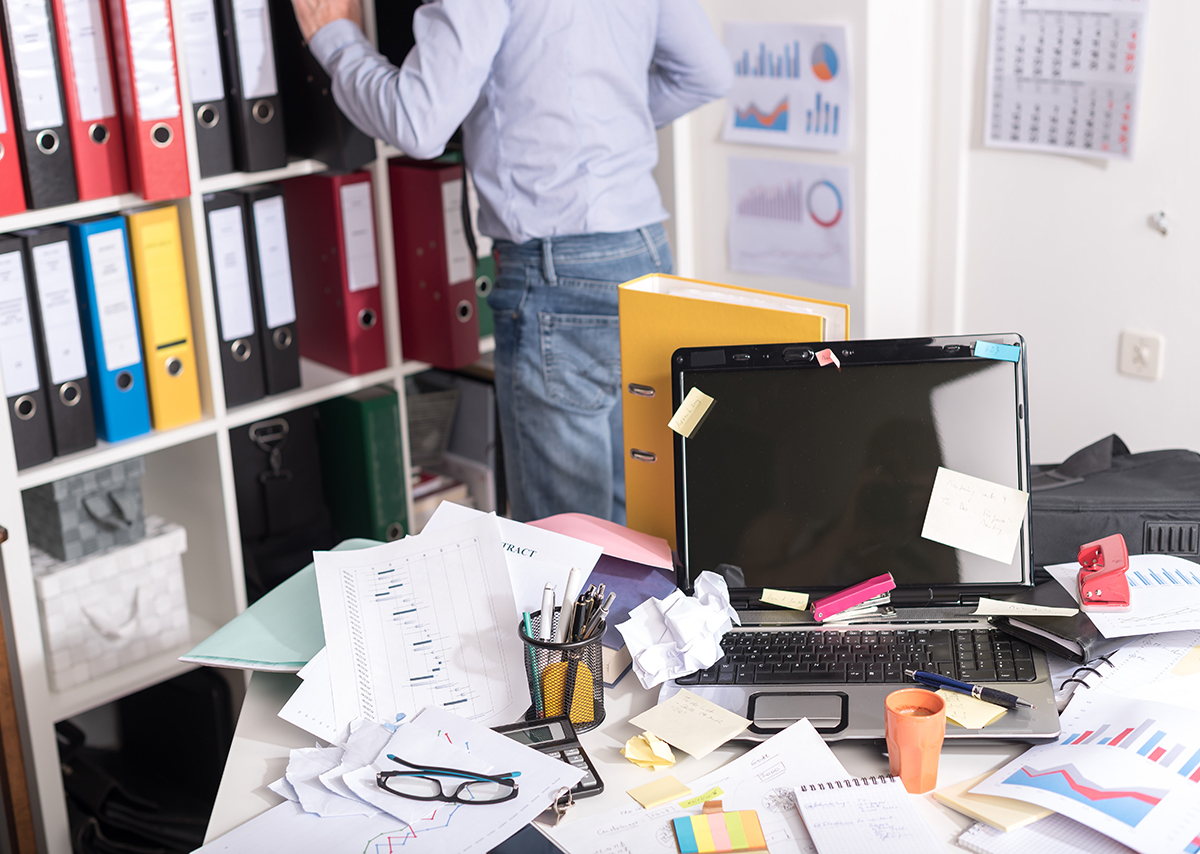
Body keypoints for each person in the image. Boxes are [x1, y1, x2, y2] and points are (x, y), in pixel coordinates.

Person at [290, 0, 731, 523]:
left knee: (566, 542)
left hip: (558, 272)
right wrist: (602, 128)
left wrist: (335, 38)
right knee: (632, 519)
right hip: (644, 254)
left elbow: (417, 123)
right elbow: (707, 74)